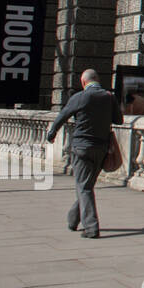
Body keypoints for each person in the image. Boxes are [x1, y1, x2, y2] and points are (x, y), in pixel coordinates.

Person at [46, 69, 123, 239]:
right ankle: (73, 220)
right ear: (98, 80)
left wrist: (52, 133)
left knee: (84, 186)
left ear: (83, 82)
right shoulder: (109, 97)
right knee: (86, 185)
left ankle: (91, 227)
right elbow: (119, 120)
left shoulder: (79, 97)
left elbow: (62, 116)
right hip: (101, 148)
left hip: (81, 148)